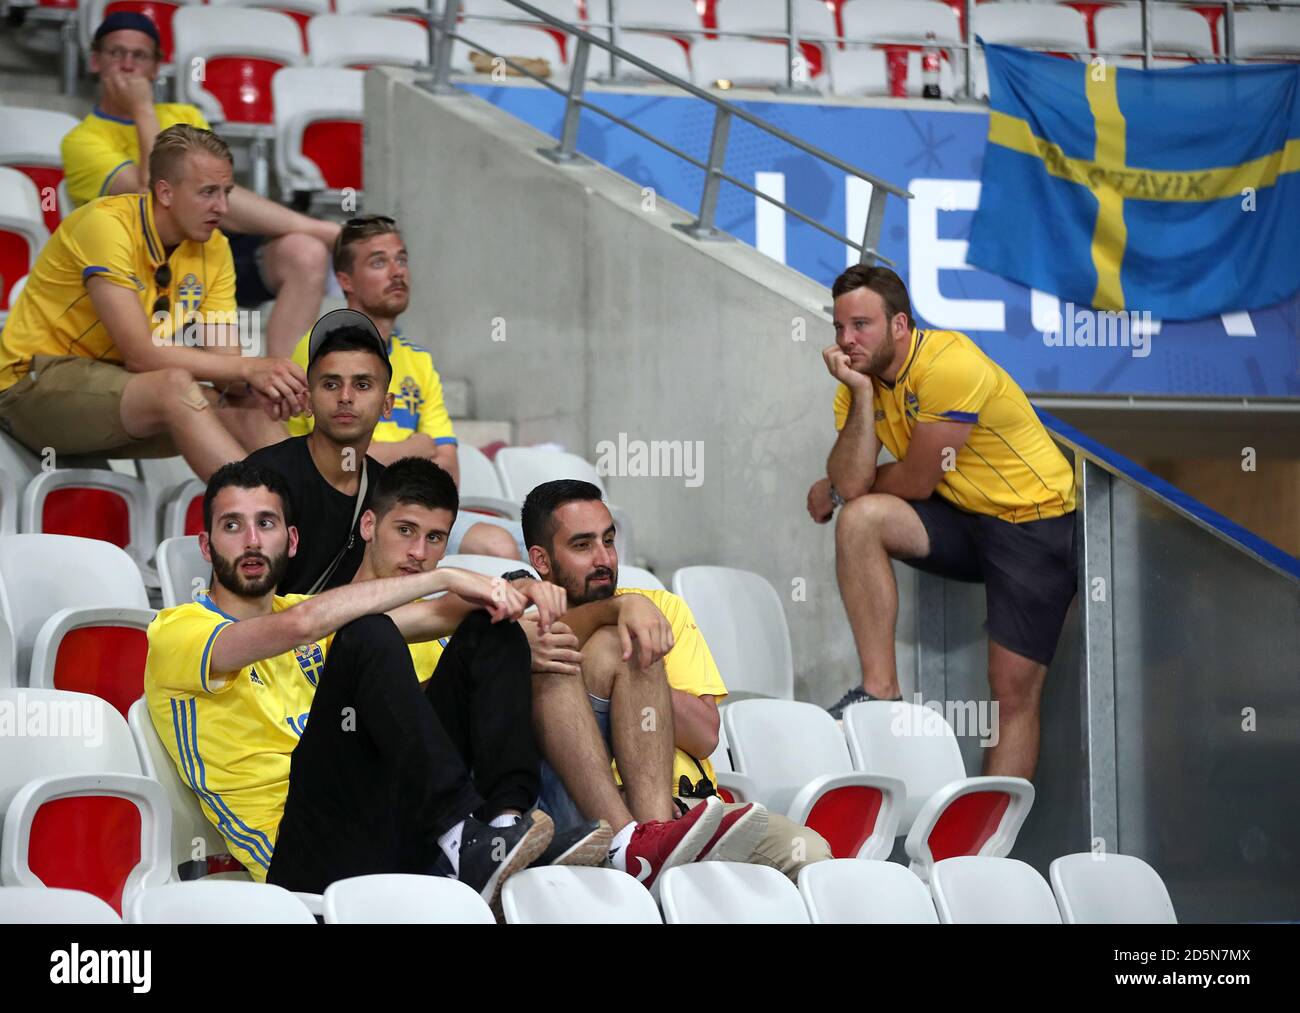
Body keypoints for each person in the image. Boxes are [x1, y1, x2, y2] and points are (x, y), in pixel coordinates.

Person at [144, 460, 555, 909]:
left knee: (488, 626)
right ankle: (459, 835)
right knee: (368, 630)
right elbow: (302, 626)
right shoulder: (178, 630)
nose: (252, 541)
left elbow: (437, 614)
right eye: (232, 526)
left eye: (266, 523)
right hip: (297, 858)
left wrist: (514, 587)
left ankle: (498, 832)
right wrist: (440, 575)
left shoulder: (306, 609)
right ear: (206, 545)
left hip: (378, 825)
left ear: (292, 539)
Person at [810, 265, 1077, 780]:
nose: (846, 341)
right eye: (839, 328)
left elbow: (914, 481)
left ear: (900, 326)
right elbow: (852, 482)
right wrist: (862, 397)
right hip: (963, 515)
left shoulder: (949, 365)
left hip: (1032, 524)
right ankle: (879, 689)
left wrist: (838, 489)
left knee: (1010, 692)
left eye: (861, 325)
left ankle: (988, 852)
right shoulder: (856, 381)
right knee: (860, 519)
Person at [523, 479, 833, 882]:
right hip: (593, 813)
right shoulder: (524, 622)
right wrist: (619, 623)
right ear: (542, 560)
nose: (604, 558)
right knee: (617, 644)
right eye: (583, 546)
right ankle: (645, 846)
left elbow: (705, 735)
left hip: (690, 808)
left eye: (609, 541)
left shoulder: (660, 607)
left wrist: (638, 681)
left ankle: (658, 842)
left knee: (809, 852)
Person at [349, 455, 611, 867]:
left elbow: (453, 612)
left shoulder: (443, 629)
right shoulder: (315, 615)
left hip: (451, 798)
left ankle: (506, 828)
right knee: (482, 629)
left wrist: (519, 603)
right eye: (405, 531)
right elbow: (369, 645)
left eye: (435, 538)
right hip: (368, 796)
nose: (418, 552)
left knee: (498, 630)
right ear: (369, 526)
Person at [0, 124, 302, 478]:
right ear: (165, 193)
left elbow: (227, 366)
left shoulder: (215, 248)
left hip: (119, 391)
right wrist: (251, 367)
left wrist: (270, 383)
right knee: (174, 387)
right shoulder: (105, 224)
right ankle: (255, 516)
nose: (222, 206)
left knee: (250, 406)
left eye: (227, 192)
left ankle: (308, 521)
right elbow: (140, 354)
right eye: (207, 192)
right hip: (28, 387)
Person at [62, 12, 340, 359]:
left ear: (155, 68)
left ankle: (283, 389)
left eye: (140, 56)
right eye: (117, 53)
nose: (128, 65)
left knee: (306, 252)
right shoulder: (81, 140)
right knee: (194, 193)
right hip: (140, 266)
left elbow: (219, 195)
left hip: (210, 250)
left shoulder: (187, 114)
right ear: (95, 61)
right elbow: (153, 198)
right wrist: (144, 110)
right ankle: (323, 229)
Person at [287, 215, 523, 559]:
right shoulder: (316, 351)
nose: (397, 272)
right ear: (345, 280)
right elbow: (338, 464)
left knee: (538, 540)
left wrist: (389, 457)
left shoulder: (419, 362)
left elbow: (447, 470)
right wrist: (415, 447)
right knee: (497, 547)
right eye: (379, 262)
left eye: (401, 259)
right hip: (344, 521)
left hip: (420, 517)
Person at [245, 308, 395, 593]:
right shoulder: (261, 478)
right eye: (331, 384)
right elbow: (240, 610)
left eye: (362, 385)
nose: (346, 397)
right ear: (308, 402)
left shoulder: (387, 492)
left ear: (387, 405)